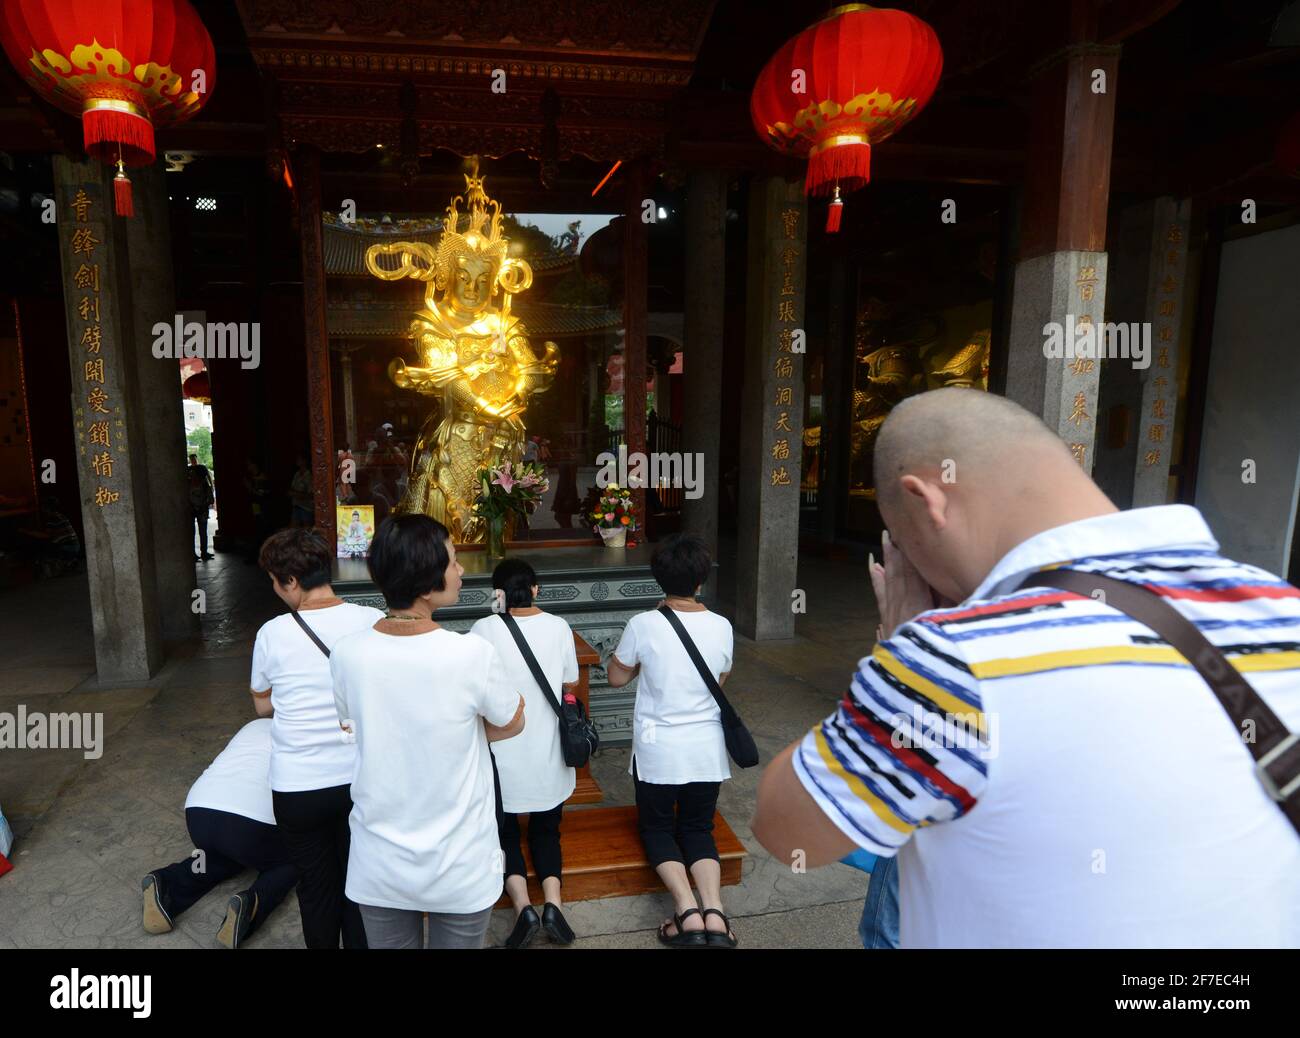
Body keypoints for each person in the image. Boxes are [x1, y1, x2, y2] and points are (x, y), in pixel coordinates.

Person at [753, 387, 1300, 948]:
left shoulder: (956, 659)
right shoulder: (1283, 609)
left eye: (903, 544)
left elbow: (789, 828)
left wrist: (899, 651)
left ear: (926, 501)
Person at [330, 514, 525, 949]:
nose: (460, 571)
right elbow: (513, 718)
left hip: (378, 860)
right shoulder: (471, 653)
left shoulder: (348, 654)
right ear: (425, 581)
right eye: (453, 561)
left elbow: (352, 722)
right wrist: (461, 734)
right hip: (459, 863)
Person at [251, 527, 384, 949]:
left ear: (291, 581)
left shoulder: (272, 633)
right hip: (359, 780)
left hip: (297, 787)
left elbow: (262, 706)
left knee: (315, 888)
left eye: (275, 580)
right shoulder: (371, 621)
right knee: (360, 884)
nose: (275, 589)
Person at [607, 533, 738, 948]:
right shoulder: (722, 625)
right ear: (701, 580)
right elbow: (719, 681)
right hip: (705, 749)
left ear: (658, 579)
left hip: (658, 750)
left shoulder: (643, 624)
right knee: (699, 827)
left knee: (659, 828)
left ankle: (686, 912)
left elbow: (615, 677)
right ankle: (715, 914)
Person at [470, 559, 580, 948]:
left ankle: (522, 909)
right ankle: (554, 904)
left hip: (500, 753)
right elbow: (569, 684)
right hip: (548, 753)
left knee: (504, 835)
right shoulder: (559, 627)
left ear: (497, 595)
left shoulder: (482, 630)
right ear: (536, 589)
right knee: (547, 830)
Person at [142, 719, 298, 949]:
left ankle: (168, 882)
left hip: (198, 813)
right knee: (294, 858)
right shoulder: (305, 735)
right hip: (247, 826)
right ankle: (253, 903)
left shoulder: (253, 725)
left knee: (218, 855)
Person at [188, 454, 214, 561]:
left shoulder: (197, 484)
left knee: (201, 532)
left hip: (198, 509)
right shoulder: (193, 484)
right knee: (195, 532)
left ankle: (202, 552)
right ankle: (197, 553)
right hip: (196, 509)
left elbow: (210, 498)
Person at [289, 454, 314, 527]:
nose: (297, 461)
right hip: (296, 505)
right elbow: (292, 487)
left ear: (304, 461)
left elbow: (311, 494)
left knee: (306, 530)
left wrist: (296, 494)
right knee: (294, 529)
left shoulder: (309, 475)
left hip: (306, 507)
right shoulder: (297, 474)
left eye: (299, 459)